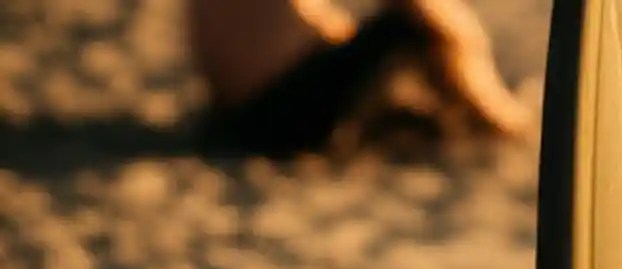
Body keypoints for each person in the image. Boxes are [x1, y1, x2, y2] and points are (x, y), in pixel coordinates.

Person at [185, 0, 530, 155]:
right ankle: (500, 120)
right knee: (424, 26)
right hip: (278, 116)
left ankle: (453, 115)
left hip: (229, 114)